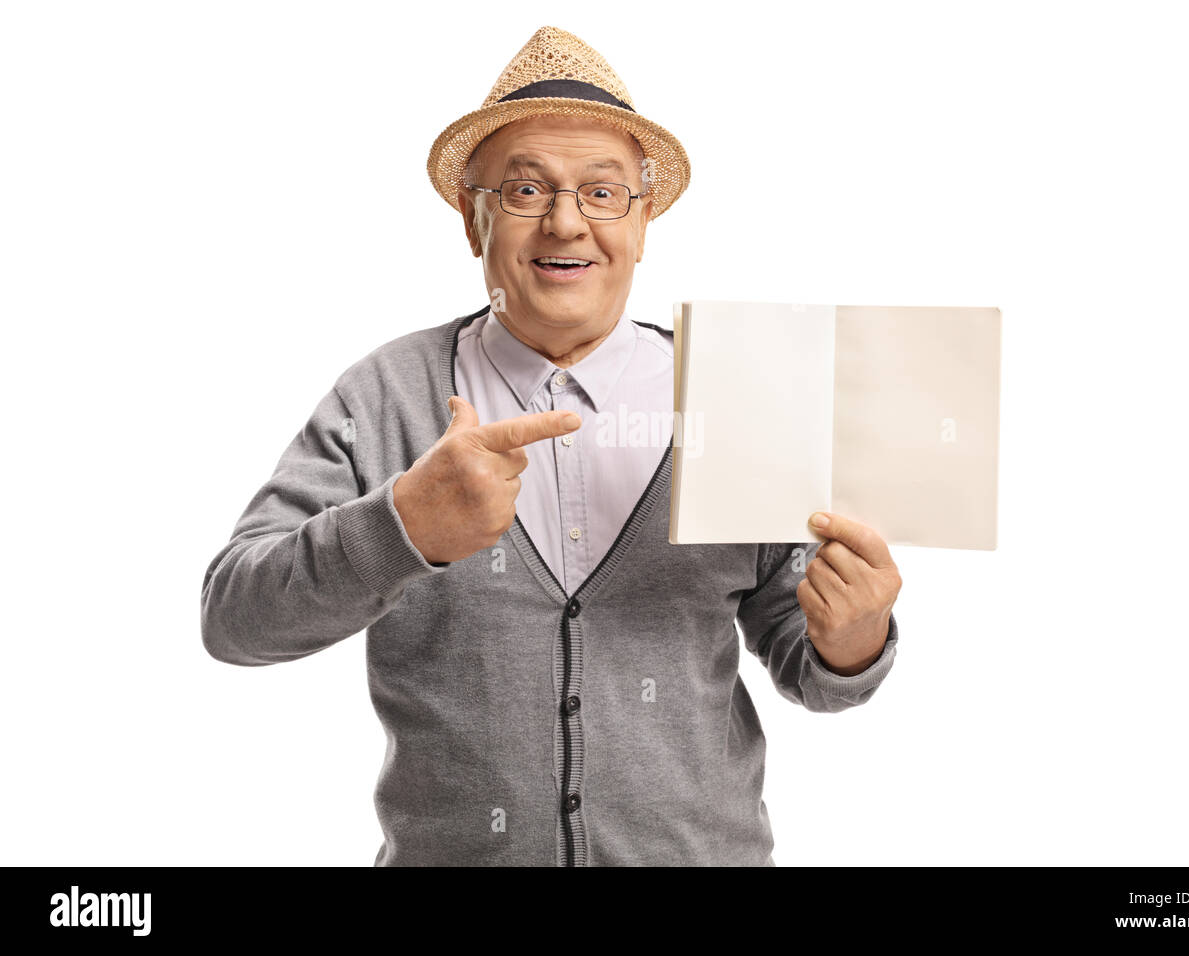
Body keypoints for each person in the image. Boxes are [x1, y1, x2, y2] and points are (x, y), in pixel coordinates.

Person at [200, 25, 902, 866]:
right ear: (474, 219)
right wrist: (403, 529)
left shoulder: (736, 393)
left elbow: (808, 658)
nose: (567, 223)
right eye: (526, 190)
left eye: (603, 194)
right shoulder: (383, 395)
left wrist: (853, 637)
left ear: (643, 224)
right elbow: (235, 618)